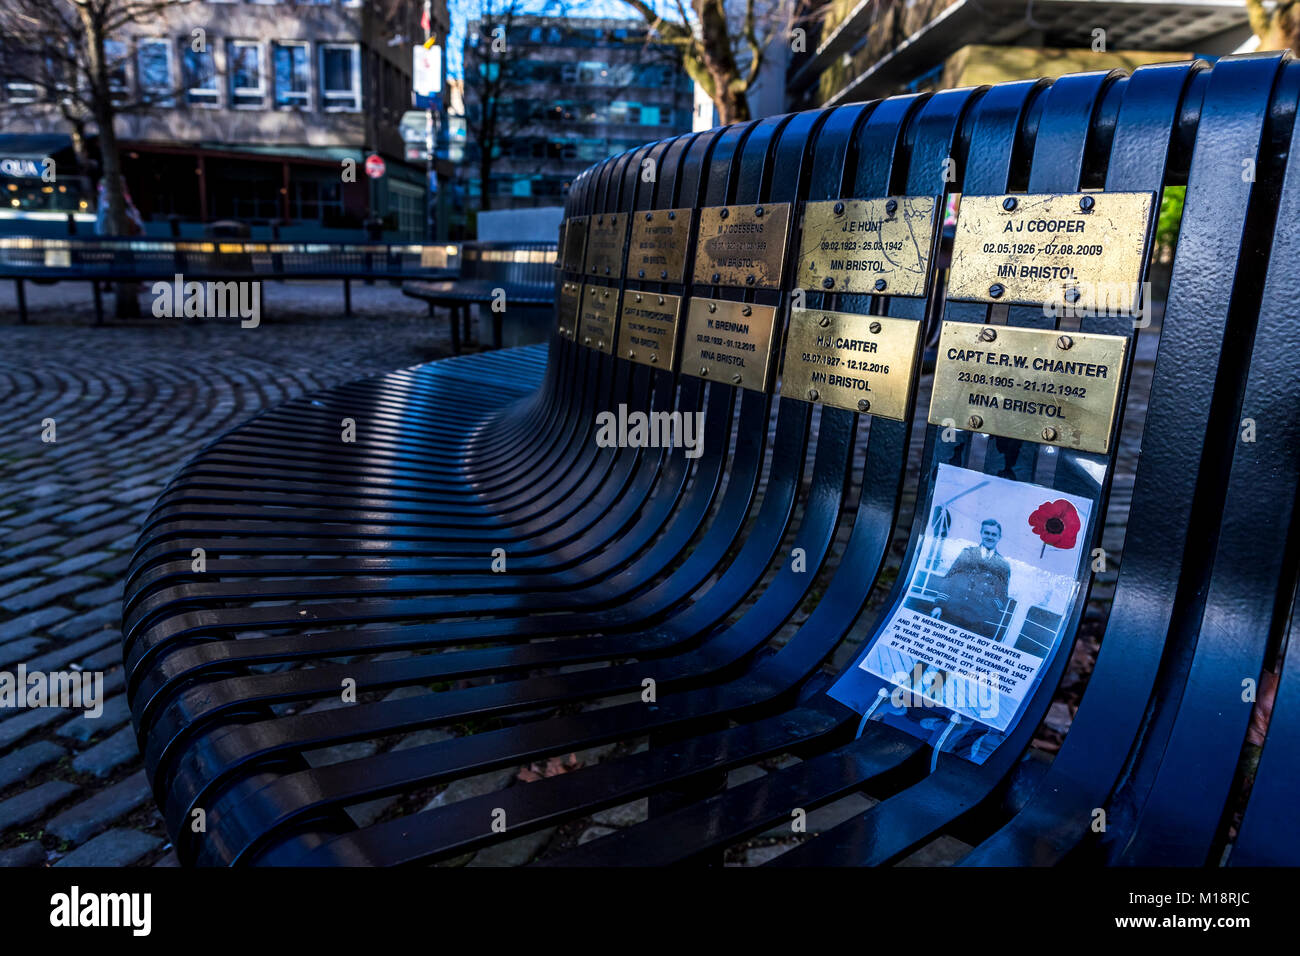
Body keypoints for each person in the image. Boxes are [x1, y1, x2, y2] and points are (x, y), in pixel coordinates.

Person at [932, 518, 1011, 638]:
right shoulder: (967, 553)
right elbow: (949, 578)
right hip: (951, 610)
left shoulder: (1003, 565)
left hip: (976, 620)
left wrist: (987, 613)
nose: (989, 537)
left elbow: (1002, 595)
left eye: (994, 534)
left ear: (999, 537)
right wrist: (938, 605)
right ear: (981, 534)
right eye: (986, 533)